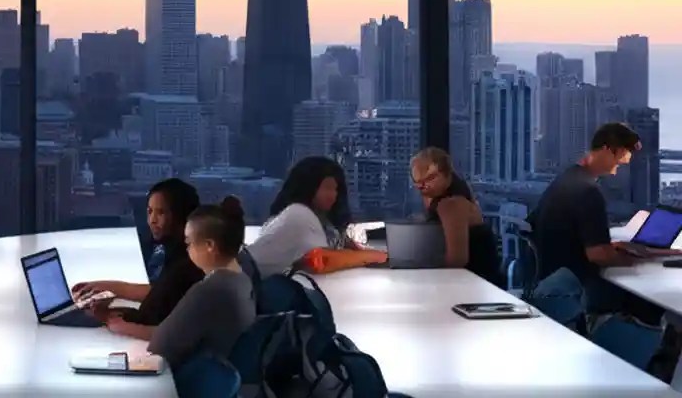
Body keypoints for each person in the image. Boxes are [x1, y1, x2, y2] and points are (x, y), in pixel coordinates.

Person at [529, 122, 660, 320]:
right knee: (650, 300)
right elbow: (598, 255)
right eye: (620, 158)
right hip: (576, 286)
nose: (621, 165)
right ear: (607, 150)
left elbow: (576, 238)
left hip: (552, 278)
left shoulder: (567, 179)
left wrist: (614, 248)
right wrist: (634, 261)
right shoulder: (588, 191)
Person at [73, 178, 205, 336]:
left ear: (181, 216)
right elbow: (161, 294)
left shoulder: (186, 264)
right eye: (150, 211)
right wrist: (109, 288)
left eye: (161, 212)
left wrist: (106, 318)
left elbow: (157, 321)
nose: (152, 220)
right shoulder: (179, 253)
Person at [142, 196, 257, 366]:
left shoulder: (210, 290)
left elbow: (160, 345)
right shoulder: (243, 277)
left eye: (189, 243)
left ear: (209, 245)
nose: (188, 250)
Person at [247, 156, 386, 276]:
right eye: (327, 188)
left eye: (336, 189)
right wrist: (373, 256)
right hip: (250, 286)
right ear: (307, 187)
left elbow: (340, 246)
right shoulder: (299, 214)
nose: (333, 195)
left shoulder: (320, 220)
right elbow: (321, 260)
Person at [410, 147, 504, 286]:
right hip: (474, 282)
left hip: (473, 286)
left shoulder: (451, 204)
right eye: (417, 181)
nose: (422, 186)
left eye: (429, 178)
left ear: (446, 174)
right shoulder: (454, 191)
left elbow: (457, 260)